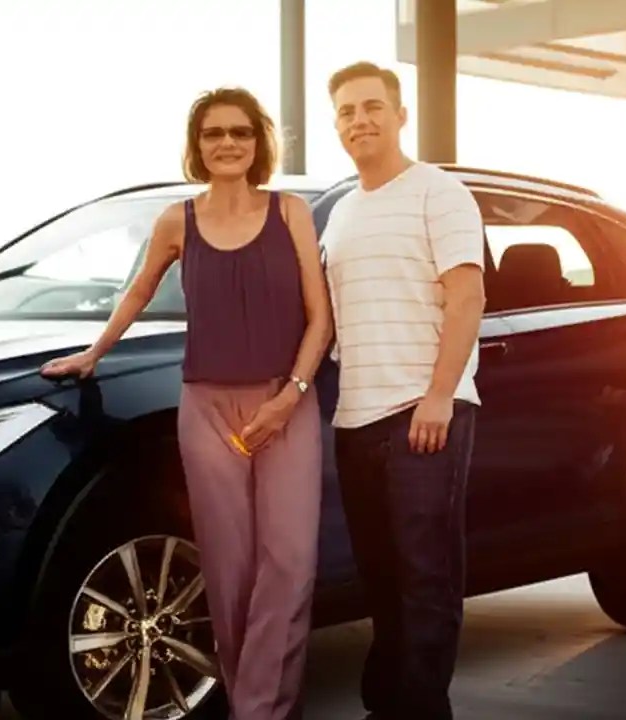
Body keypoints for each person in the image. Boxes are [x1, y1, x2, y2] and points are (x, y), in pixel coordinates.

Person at [40, 87, 333, 720]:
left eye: (240, 133)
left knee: (289, 564)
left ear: (258, 143)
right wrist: (92, 354)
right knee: (228, 570)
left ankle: (260, 710)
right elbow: (137, 293)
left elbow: (320, 316)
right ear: (197, 146)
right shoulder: (178, 220)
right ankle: (255, 702)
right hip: (206, 409)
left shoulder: (290, 215)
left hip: (285, 407)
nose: (227, 143)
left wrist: (291, 397)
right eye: (213, 134)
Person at [319, 61, 486, 720]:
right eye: (346, 112)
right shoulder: (341, 214)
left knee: (426, 578)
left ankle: (419, 710)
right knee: (382, 581)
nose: (359, 120)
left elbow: (468, 296)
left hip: (424, 415)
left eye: (371, 107)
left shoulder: (438, 193)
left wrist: (439, 395)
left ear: (399, 114)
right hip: (355, 422)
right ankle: (387, 705)